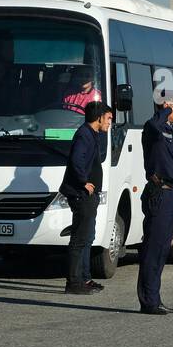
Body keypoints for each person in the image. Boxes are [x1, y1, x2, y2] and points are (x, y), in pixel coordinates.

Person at [137, 96, 173, 315]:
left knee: (162, 249)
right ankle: (149, 300)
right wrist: (167, 109)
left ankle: (154, 298)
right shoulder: (153, 130)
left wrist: (170, 110)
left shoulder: (167, 132)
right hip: (160, 193)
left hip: (171, 194)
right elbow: (154, 124)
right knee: (153, 249)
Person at [60, 101, 113, 294]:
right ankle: (74, 283)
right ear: (98, 117)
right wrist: (84, 181)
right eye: (108, 119)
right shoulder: (84, 134)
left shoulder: (92, 135)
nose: (109, 123)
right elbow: (76, 160)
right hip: (82, 195)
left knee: (88, 237)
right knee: (79, 240)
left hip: (89, 196)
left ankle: (85, 278)